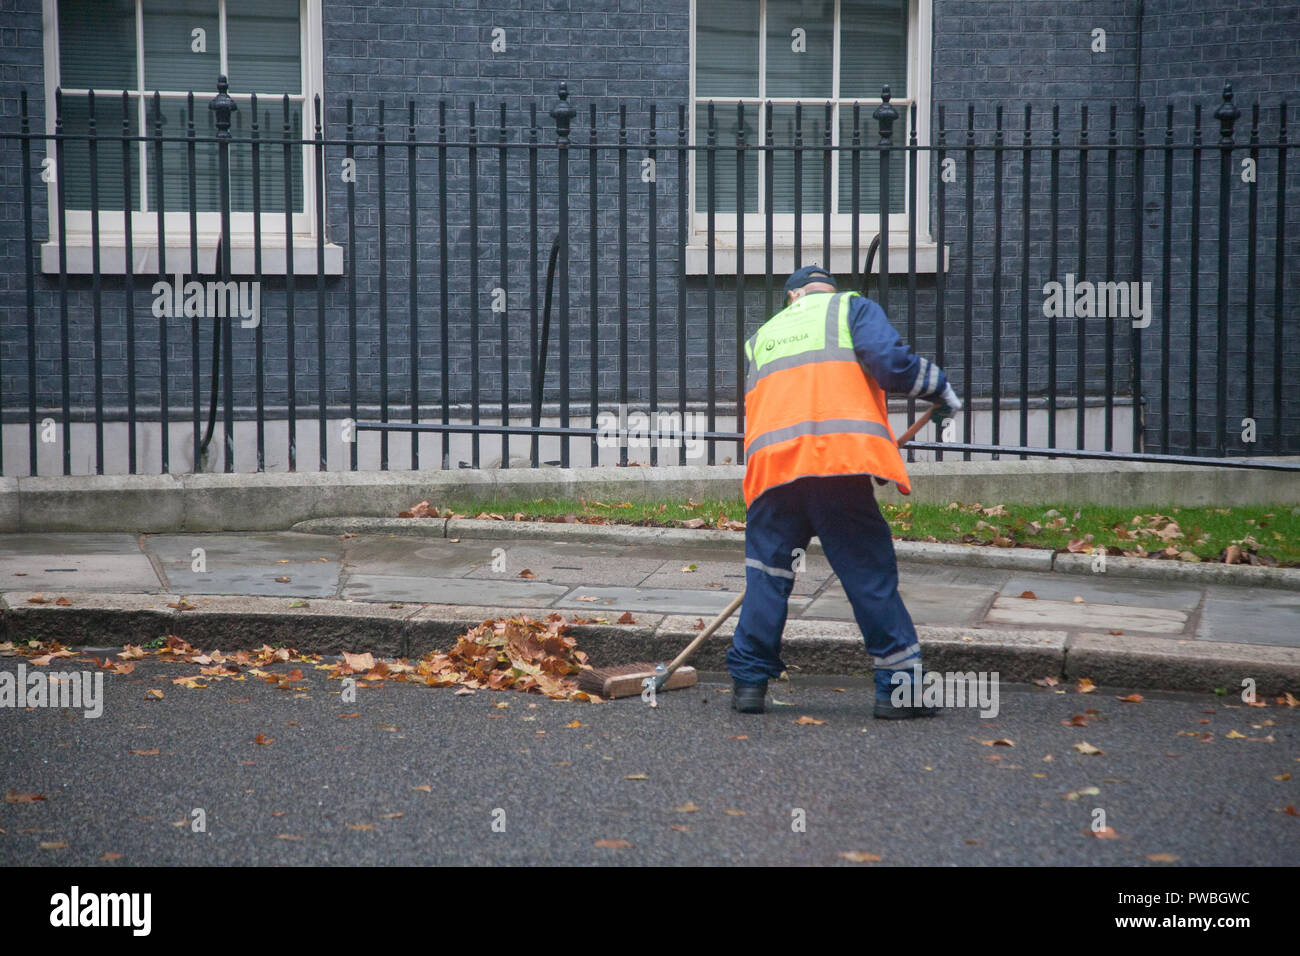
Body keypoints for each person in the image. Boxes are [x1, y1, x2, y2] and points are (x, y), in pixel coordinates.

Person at [727, 265, 962, 718]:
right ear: (827, 291)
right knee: (867, 573)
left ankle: (749, 684)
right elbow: (892, 366)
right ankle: (900, 691)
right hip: (835, 469)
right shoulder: (850, 308)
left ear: (792, 297)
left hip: (774, 471)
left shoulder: (764, 334)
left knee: (768, 577)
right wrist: (940, 388)